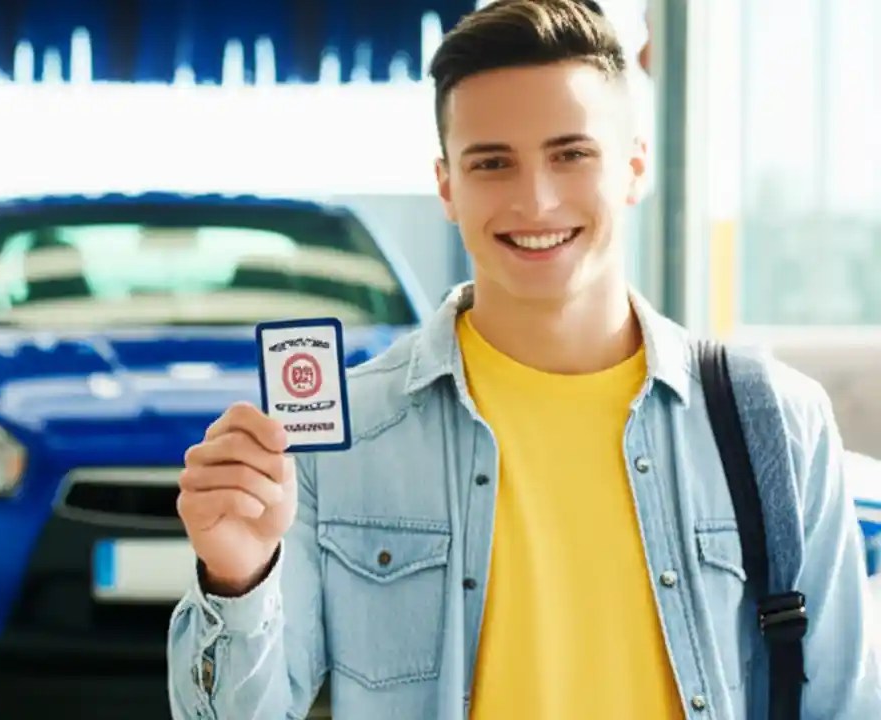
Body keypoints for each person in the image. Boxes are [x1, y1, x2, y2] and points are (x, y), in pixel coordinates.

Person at [166, 0, 881, 718]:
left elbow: (846, 703)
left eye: (571, 154)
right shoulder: (340, 444)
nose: (535, 200)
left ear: (634, 165)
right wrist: (238, 576)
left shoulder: (777, 423)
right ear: (448, 185)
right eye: (492, 163)